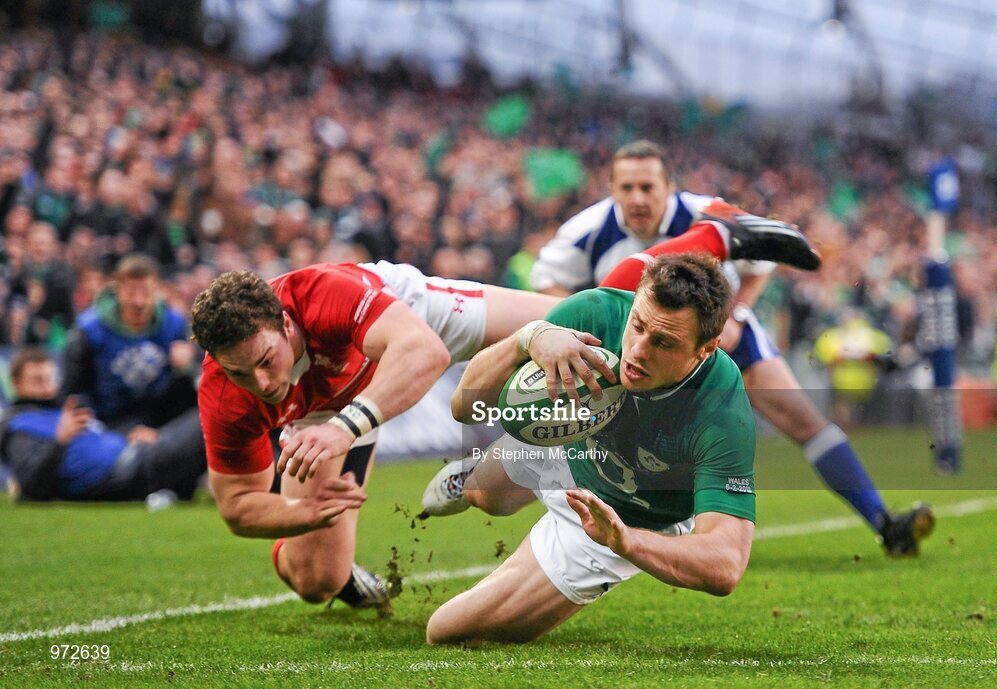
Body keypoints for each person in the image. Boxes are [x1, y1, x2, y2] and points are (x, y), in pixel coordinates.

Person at [190, 220, 815, 613]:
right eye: (241, 373)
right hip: (339, 409)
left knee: (586, 311)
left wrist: (344, 428)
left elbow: (424, 353)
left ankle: (714, 238)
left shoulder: (324, 295)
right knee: (315, 580)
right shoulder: (226, 389)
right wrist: (303, 512)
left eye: (266, 362)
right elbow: (239, 506)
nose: (262, 385)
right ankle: (483, 479)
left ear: (285, 320)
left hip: (409, 324)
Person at [528, 139, 933, 557]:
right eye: (627, 188)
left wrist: (737, 316)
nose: (638, 198)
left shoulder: (705, 213)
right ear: (611, 188)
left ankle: (884, 523)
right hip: (635, 350)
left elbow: (760, 264)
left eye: (648, 187)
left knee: (803, 419)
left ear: (670, 187)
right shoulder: (585, 231)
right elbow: (547, 284)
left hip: (723, 341)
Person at [423, 254, 756, 644]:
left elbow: (726, 564)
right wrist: (527, 337)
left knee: (445, 630)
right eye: (638, 325)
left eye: (663, 342)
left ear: (706, 348)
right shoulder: (594, 313)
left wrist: (626, 541)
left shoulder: (721, 412)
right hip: (573, 439)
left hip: (617, 517)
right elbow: (464, 407)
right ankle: (472, 482)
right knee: (484, 496)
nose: (638, 351)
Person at [0, 348, 207, 502]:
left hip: (136, 452)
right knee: (212, 416)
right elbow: (30, 484)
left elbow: (99, 437)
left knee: (201, 412)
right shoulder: (19, 425)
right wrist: (60, 439)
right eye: (37, 380)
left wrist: (128, 435)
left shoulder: (60, 410)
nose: (47, 386)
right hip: (122, 476)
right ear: (16, 383)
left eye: (50, 378)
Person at [62, 254, 199, 436]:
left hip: (163, 422)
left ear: (158, 290)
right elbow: (73, 392)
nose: (138, 302)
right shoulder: (89, 331)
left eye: (146, 292)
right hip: (109, 425)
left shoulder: (175, 325)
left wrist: (188, 366)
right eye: (131, 292)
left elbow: (197, 382)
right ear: (117, 290)